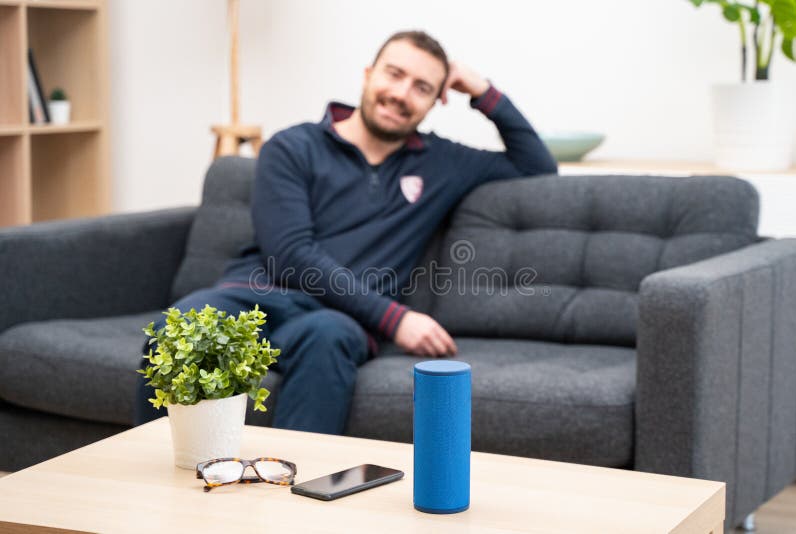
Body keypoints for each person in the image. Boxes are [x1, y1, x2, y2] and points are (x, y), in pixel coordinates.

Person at [134, 30, 557, 434]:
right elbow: (290, 254)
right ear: (368, 74)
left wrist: (481, 89)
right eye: (394, 74)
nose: (401, 93)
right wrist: (396, 318)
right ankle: (155, 488)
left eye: (422, 87)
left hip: (339, 319)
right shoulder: (292, 147)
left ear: (434, 102)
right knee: (179, 326)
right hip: (257, 294)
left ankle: (291, 497)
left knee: (328, 338)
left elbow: (538, 167)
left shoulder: (442, 163)